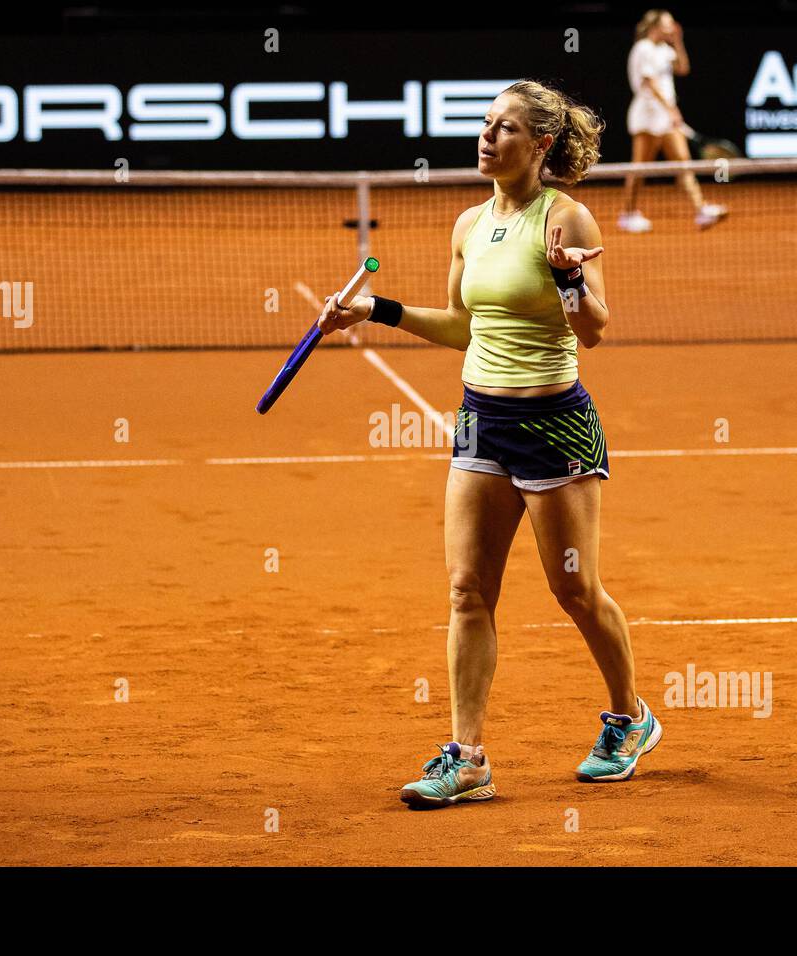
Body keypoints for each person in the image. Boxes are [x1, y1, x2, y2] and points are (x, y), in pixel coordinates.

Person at [317, 79, 662, 810]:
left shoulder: (563, 217)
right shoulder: (469, 224)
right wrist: (372, 310)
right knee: (467, 591)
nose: (486, 138)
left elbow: (593, 330)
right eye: (484, 124)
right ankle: (468, 758)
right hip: (481, 423)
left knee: (573, 590)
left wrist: (570, 282)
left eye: (504, 129)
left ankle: (630, 718)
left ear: (540, 146)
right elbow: (461, 328)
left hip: (555, 428)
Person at [620, 9, 727, 232]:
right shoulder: (643, 48)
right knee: (640, 167)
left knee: (683, 162)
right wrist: (672, 109)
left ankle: (701, 210)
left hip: (666, 116)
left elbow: (683, 68)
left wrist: (678, 40)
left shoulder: (665, 49)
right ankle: (627, 214)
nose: (671, 27)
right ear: (655, 26)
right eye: (668, 24)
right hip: (648, 115)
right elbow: (649, 83)